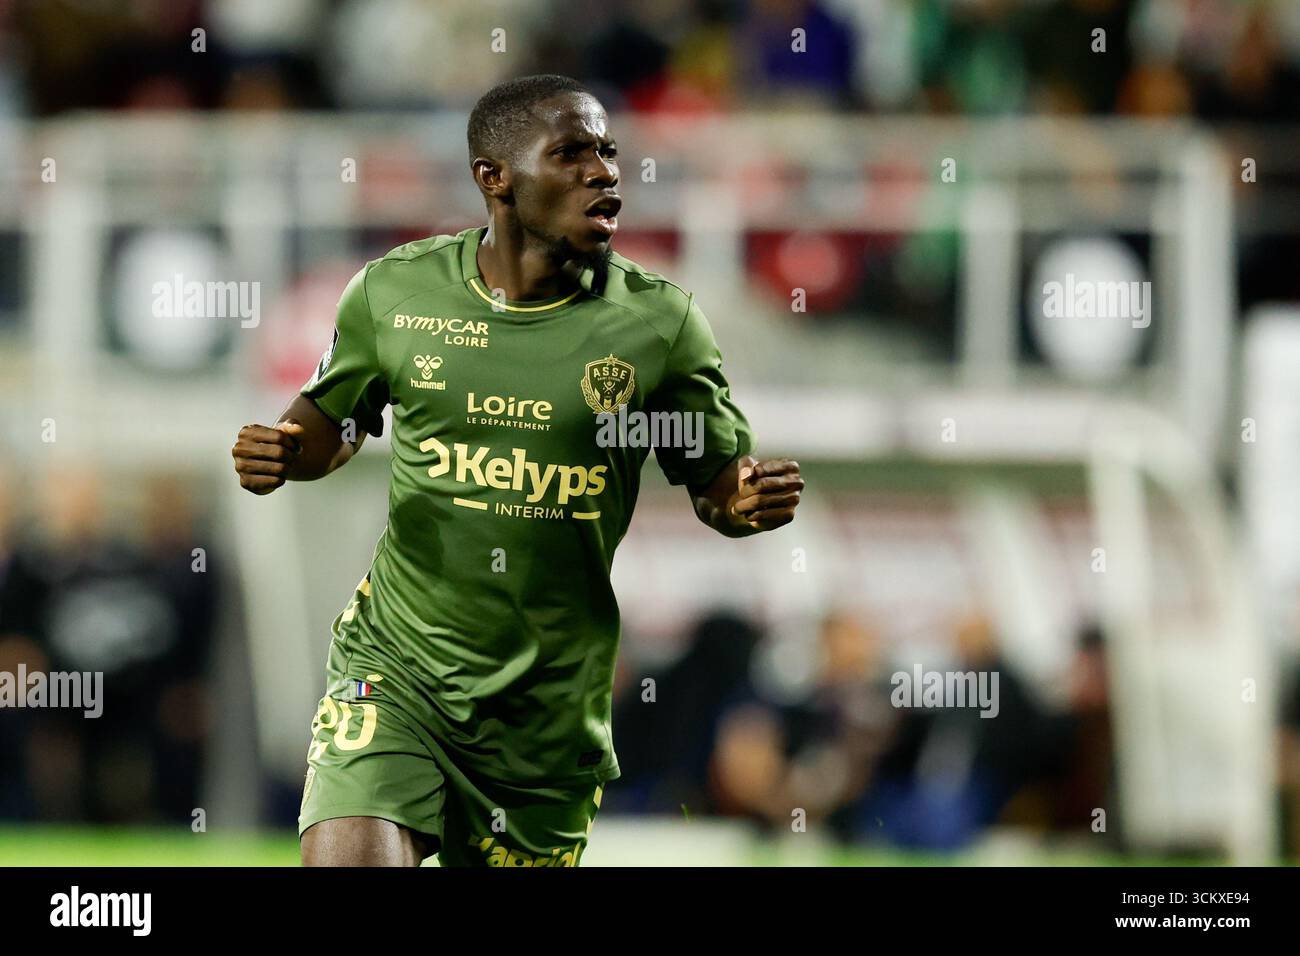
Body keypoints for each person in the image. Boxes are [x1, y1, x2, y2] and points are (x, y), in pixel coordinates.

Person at [230, 74, 804, 866]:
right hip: (399, 670)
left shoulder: (657, 325)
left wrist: (745, 501)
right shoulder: (396, 294)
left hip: (546, 713)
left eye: (608, 153)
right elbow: (331, 422)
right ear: (492, 176)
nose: (602, 173)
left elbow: (715, 482)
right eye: (571, 154)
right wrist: (290, 451)